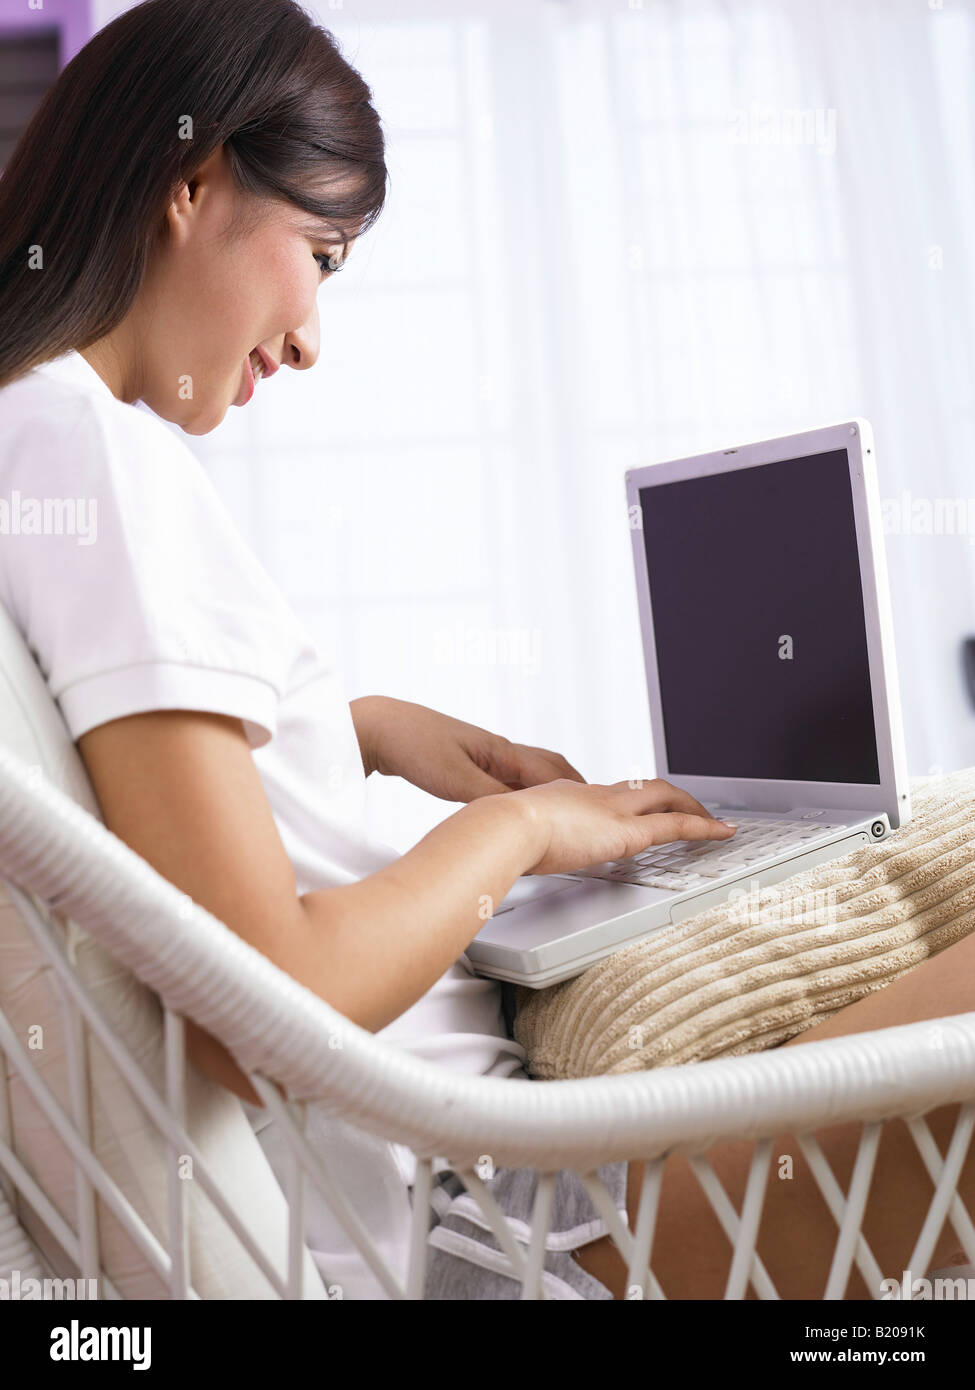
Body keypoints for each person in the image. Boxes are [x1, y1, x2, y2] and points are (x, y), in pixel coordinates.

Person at [0, 0, 970, 1300]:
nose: (309, 338)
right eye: (322, 255)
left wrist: (358, 729)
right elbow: (265, 1001)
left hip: (500, 1171)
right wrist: (526, 831)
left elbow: (152, 817)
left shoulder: (39, 445)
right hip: (497, 1218)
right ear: (192, 181)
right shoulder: (91, 459)